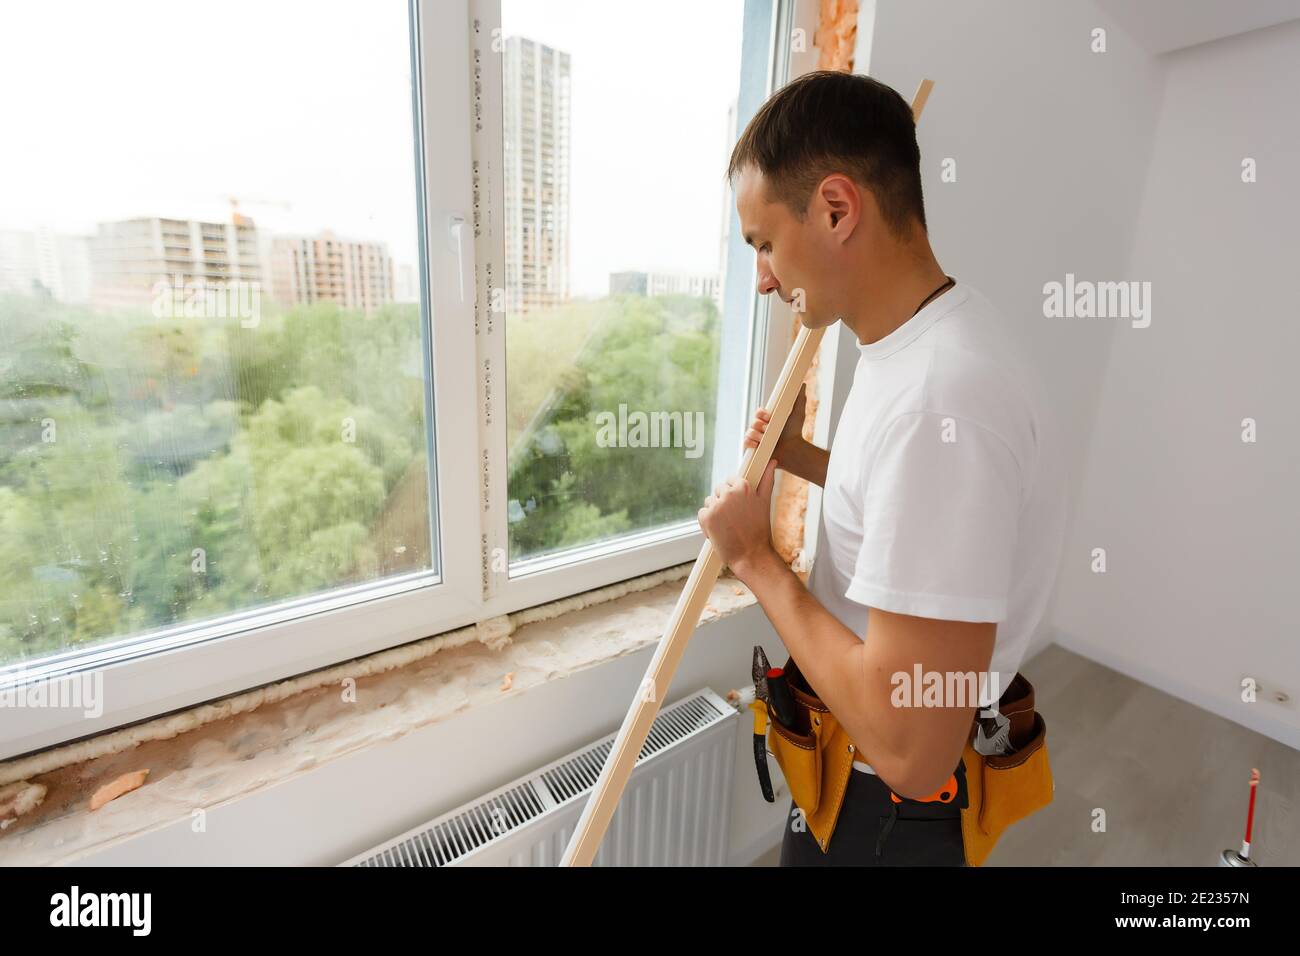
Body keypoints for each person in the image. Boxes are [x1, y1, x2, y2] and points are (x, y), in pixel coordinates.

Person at [696, 71, 1067, 866]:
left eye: (763, 242)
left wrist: (756, 560)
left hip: (893, 805)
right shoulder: (919, 341)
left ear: (836, 208)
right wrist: (804, 460)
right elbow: (911, 514)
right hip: (863, 773)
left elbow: (911, 747)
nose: (762, 277)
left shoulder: (943, 400)